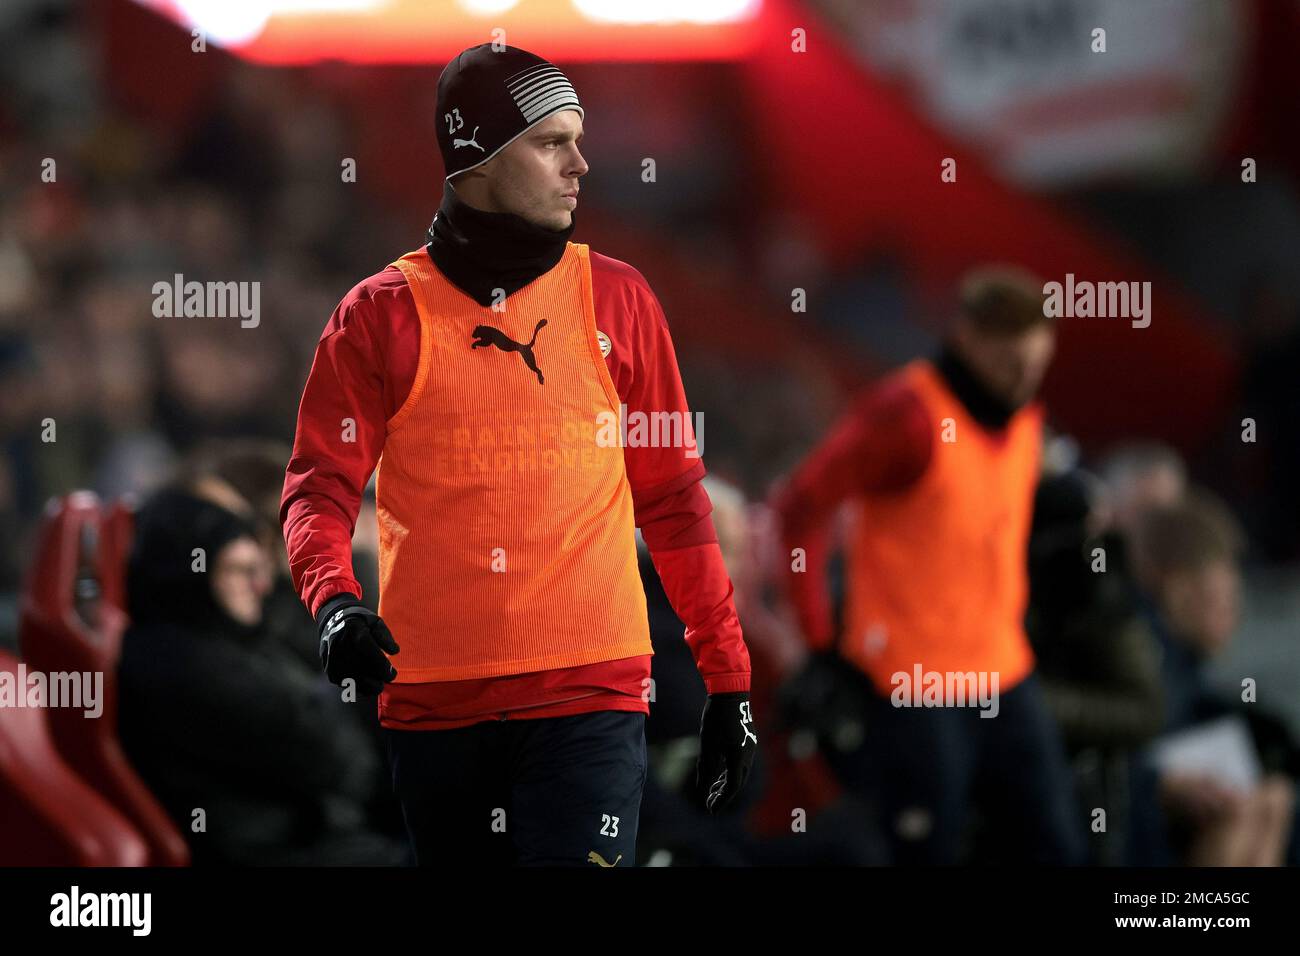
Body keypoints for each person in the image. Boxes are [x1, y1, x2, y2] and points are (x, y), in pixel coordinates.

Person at [281, 44, 754, 867]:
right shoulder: (376, 317)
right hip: (434, 704)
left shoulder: (621, 298)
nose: (580, 164)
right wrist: (335, 602)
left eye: (578, 138)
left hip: (593, 693)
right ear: (479, 156)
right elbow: (317, 491)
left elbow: (674, 500)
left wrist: (729, 680)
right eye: (550, 142)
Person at [771, 266, 1085, 865]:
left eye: (1036, 366)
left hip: (1005, 669)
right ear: (966, 337)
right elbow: (800, 509)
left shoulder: (1022, 414)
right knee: (925, 854)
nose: (1023, 380)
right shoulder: (906, 416)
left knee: (1056, 849)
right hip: (915, 684)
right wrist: (817, 640)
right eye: (1010, 363)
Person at [117, 481, 408, 865]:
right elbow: (333, 759)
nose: (262, 585)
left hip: (311, 832)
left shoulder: (222, 637)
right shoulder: (184, 662)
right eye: (238, 571)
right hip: (276, 851)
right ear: (189, 572)